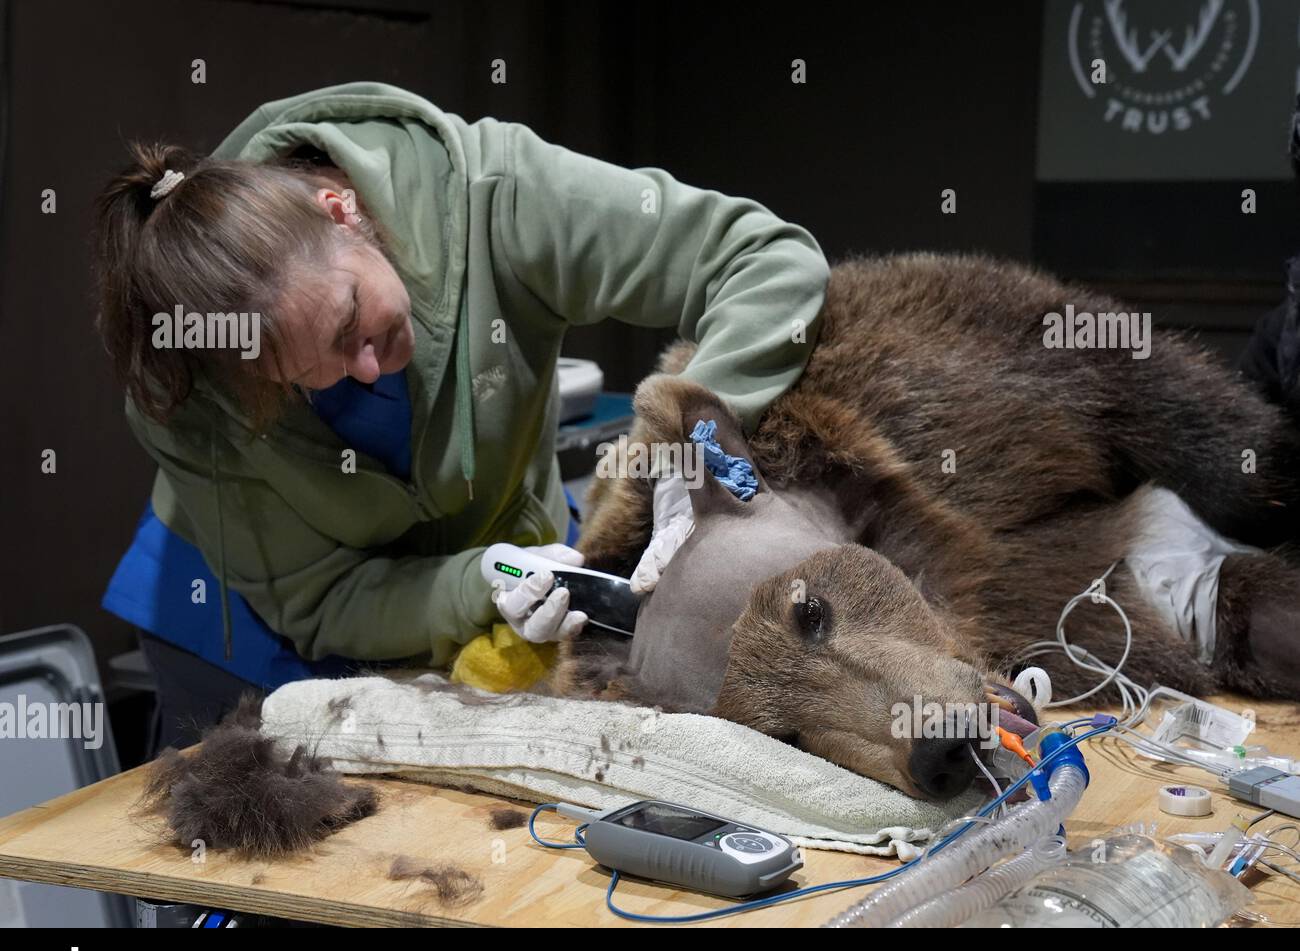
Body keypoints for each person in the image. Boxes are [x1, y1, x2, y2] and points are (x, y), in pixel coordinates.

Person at [92, 82, 830, 749]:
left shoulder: (497, 193)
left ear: (340, 210)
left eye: (353, 319)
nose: (368, 369)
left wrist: (688, 442)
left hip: (507, 580)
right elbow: (323, 598)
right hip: (236, 629)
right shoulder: (193, 388)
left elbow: (765, 259)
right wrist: (471, 582)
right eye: (308, 374)